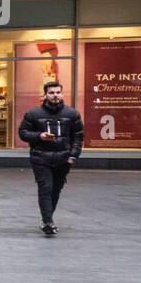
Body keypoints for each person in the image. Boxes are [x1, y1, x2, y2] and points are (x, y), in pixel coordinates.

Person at [18, 81, 83, 235]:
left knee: (56, 189)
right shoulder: (33, 114)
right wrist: (40, 135)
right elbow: (23, 133)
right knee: (45, 188)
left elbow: (78, 137)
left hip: (63, 158)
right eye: (51, 93)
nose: (55, 96)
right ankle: (48, 221)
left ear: (62, 93)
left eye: (58, 92)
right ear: (45, 95)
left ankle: (47, 218)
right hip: (40, 158)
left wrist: (73, 156)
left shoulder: (72, 114)